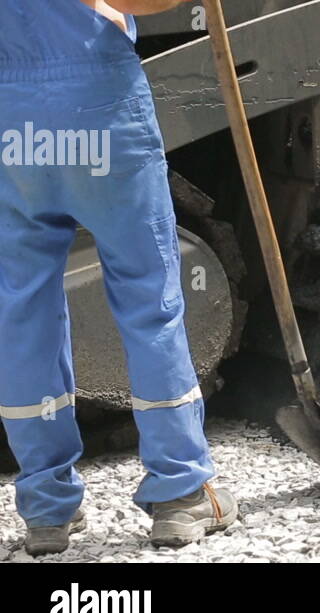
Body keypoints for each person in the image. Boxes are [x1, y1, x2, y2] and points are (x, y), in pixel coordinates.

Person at [0, 0, 237, 556]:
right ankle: (180, 493)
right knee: (147, 294)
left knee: (23, 306)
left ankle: (46, 508)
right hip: (96, 99)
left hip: (13, 110)